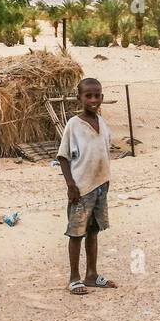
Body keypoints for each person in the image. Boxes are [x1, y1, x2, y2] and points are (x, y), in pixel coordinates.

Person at [57, 77, 117, 295]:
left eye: (97, 95)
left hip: (101, 186)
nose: (93, 99)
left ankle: (91, 274)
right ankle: (74, 277)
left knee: (93, 231)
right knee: (76, 233)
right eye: (88, 95)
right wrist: (70, 185)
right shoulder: (73, 125)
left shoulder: (103, 124)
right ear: (79, 98)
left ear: (102, 97)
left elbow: (104, 152)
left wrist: (105, 182)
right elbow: (63, 157)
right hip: (81, 189)